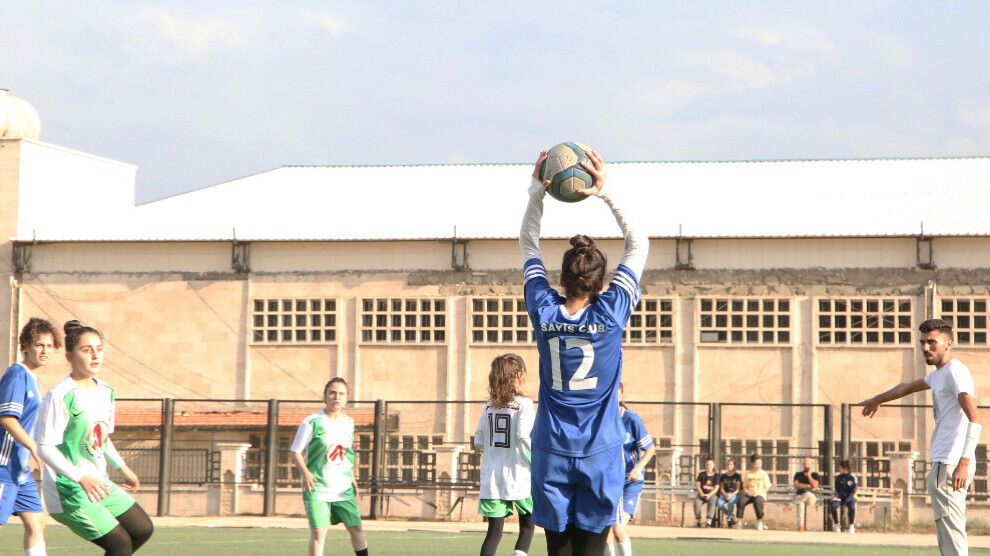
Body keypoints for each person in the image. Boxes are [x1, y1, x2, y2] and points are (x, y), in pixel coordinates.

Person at [520, 149, 648, 556]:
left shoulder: (543, 308)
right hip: (601, 450)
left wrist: (538, 193)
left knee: (556, 550)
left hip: (551, 448)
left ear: (560, 278)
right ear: (601, 281)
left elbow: (528, 242)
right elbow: (639, 243)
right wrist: (605, 193)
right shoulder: (611, 313)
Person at [862, 318, 980, 556]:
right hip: (946, 462)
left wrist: (964, 463)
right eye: (923, 342)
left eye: (932, 342)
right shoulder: (938, 374)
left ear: (949, 343)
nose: (926, 347)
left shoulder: (954, 370)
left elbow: (974, 419)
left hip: (951, 462)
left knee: (952, 531)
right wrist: (878, 399)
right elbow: (906, 387)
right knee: (947, 530)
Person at [37, 320, 153, 555]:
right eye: (86, 350)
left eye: (99, 349)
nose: (95, 355)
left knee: (142, 529)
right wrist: (81, 478)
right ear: (69, 356)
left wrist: (122, 468)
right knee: (120, 545)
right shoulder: (61, 395)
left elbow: (101, 438)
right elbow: (45, 448)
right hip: (69, 489)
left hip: (99, 483)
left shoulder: (106, 391)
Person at [1, 318, 61, 556]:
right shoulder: (17, 374)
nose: (45, 350)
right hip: (3, 466)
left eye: (49, 346)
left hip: (20, 469)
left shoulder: (33, 379)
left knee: (37, 522)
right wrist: (33, 445)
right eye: (39, 345)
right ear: (24, 345)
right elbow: (6, 418)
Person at [290, 377, 369, 556]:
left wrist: (353, 481)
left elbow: (346, 455)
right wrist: (306, 473)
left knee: (356, 527)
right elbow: (295, 451)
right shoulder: (312, 422)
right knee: (319, 533)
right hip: (317, 486)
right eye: (332, 392)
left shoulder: (349, 423)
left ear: (347, 398)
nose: (336, 397)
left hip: (343, 487)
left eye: (341, 394)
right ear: (325, 396)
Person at [473, 354, 536, 556]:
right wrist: (538, 459)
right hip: (519, 474)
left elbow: (478, 440)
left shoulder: (489, 405)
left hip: (492, 476)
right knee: (527, 525)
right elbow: (523, 435)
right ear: (518, 375)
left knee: (494, 532)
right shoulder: (524, 404)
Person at [605, 383, 656, 556]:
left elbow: (650, 449)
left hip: (629, 483)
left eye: (615, 395)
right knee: (605, 536)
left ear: (620, 396)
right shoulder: (602, 421)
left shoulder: (631, 419)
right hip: (610, 483)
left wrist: (638, 467)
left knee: (618, 530)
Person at [736, 453, 771, 530]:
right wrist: (748, 492)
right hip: (749, 494)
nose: (758, 465)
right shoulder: (749, 474)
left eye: (760, 464)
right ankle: (739, 522)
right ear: (753, 463)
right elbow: (744, 486)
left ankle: (760, 522)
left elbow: (767, 487)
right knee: (741, 501)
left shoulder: (763, 474)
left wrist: (758, 493)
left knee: (757, 501)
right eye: (757, 464)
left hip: (759, 494)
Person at [791, 456, 820, 531]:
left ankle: (791, 505)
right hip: (800, 496)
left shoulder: (814, 475)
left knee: (807, 493)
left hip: (811, 498)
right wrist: (807, 485)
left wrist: (809, 476)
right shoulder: (798, 474)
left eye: (807, 463)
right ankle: (800, 526)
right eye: (805, 463)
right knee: (801, 504)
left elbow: (814, 485)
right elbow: (796, 485)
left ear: (811, 464)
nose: (805, 465)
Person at [692, 457, 720, 528]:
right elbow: (698, 485)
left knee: (712, 501)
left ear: (713, 466)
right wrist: (701, 493)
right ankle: (698, 522)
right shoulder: (702, 475)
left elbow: (716, 488)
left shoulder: (716, 476)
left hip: (711, 495)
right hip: (702, 494)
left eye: (710, 465)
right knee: (696, 502)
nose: (709, 466)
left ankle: (708, 522)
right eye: (707, 465)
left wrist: (709, 495)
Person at [831, 459, 857, 533]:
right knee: (833, 506)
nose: (839, 469)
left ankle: (851, 525)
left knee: (852, 507)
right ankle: (837, 524)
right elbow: (837, 490)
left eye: (840, 467)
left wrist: (845, 502)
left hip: (849, 498)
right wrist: (836, 496)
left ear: (845, 468)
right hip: (840, 498)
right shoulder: (839, 477)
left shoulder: (852, 478)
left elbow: (853, 492)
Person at [717, 459, 741, 528]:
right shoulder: (723, 476)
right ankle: (730, 515)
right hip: (725, 493)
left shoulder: (737, 476)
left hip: (734, 494)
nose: (729, 466)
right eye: (728, 464)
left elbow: (738, 489)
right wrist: (725, 494)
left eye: (731, 464)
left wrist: (731, 494)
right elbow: (721, 488)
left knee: (731, 502)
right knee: (719, 502)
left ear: (734, 466)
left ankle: (729, 519)